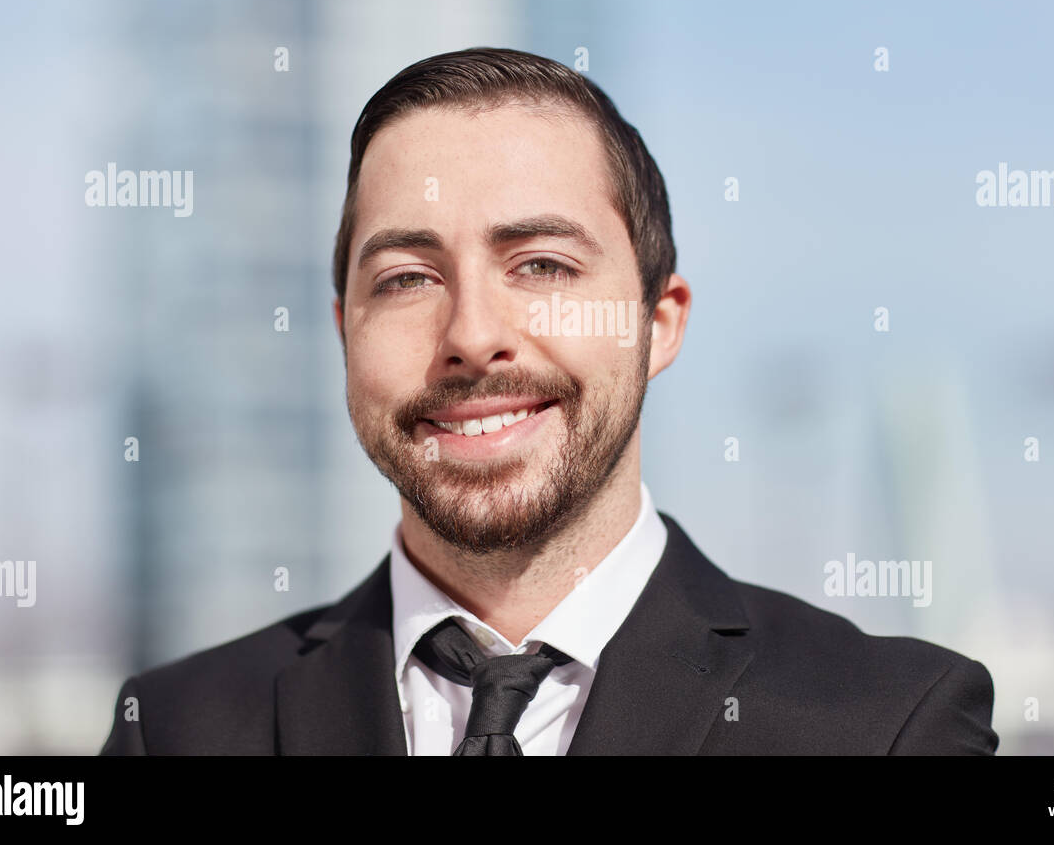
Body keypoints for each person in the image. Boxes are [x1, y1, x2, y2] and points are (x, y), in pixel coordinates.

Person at [99, 47, 999, 755]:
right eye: (408, 278)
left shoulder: (883, 727)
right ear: (345, 332)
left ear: (659, 323)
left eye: (541, 266)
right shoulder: (175, 730)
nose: (472, 334)